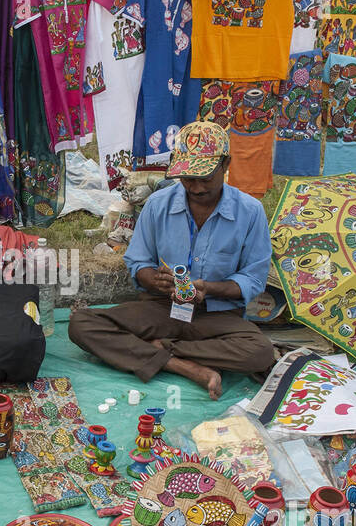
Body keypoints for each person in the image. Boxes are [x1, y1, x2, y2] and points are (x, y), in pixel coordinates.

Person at [69, 121, 276, 399]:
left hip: (216, 316)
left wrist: (208, 288)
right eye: (188, 178)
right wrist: (153, 280)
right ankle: (185, 367)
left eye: (206, 178)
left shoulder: (250, 212)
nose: (197, 187)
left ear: (225, 164)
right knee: (82, 324)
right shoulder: (158, 204)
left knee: (260, 352)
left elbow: (253, 279)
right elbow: (138, 262)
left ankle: (158, 349)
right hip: (162, 307)